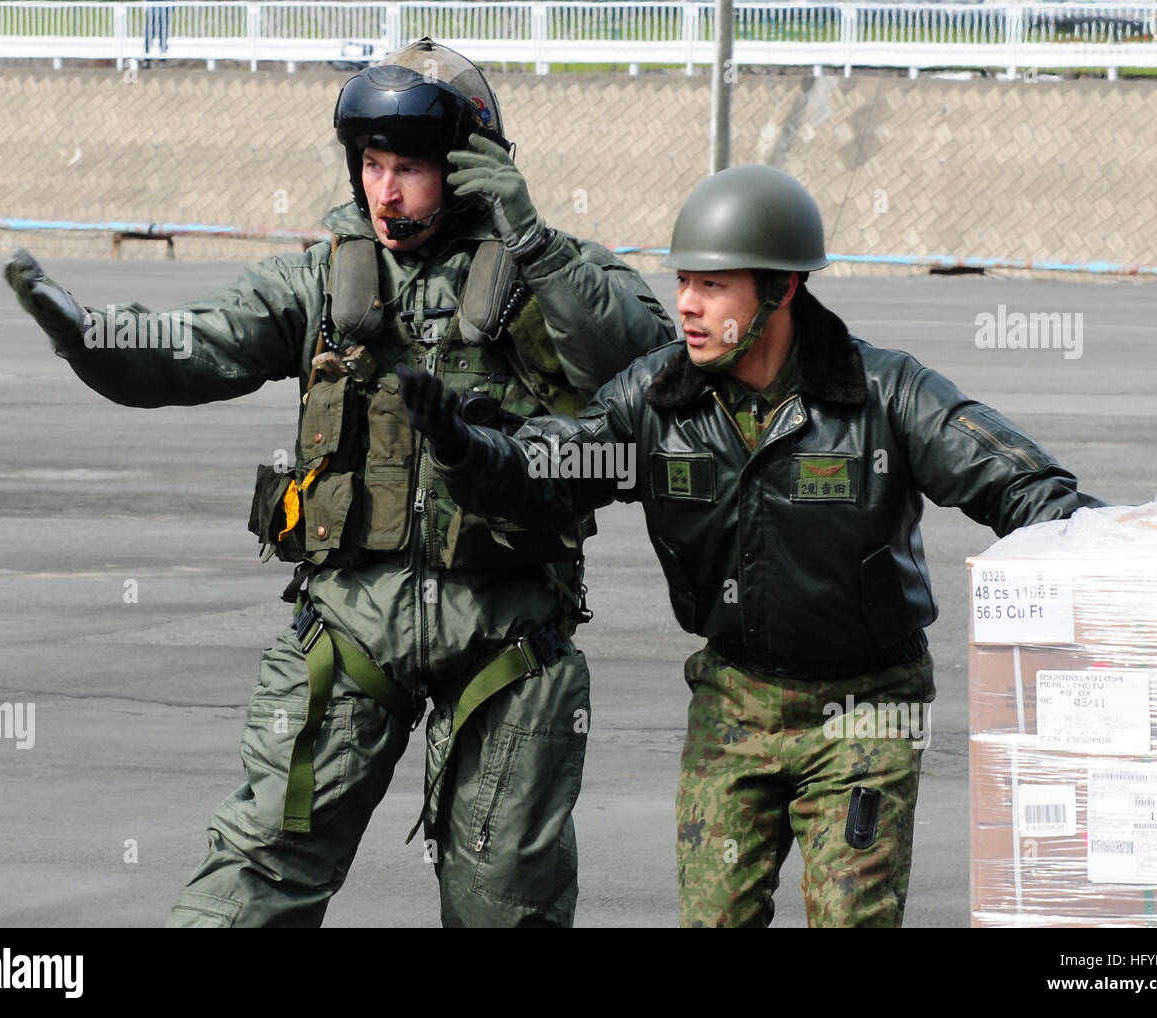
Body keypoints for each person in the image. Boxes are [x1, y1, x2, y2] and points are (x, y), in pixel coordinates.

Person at [3, 37, 674, 927]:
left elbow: (648, 369)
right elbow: (202, 342)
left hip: (509, 637)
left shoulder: (554, 272)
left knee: (505, 902)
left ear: (473, 169)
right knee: (255, 878)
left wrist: (539, 247)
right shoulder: (324, 281)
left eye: (409, 168)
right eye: (371, 165)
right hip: (349, 631)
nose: (385, 192)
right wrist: (95, 339)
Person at [398, 164, 1105, 928]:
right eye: (683, 284)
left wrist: (1138, 569)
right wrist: (467, 449)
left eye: (713, 286)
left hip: (865, 707)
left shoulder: (883, 395)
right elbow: (555, 469)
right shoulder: (657, 400)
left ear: (780, 290)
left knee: (851, 918)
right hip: (733, 700)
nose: (688, 307)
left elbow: (1023, 489)